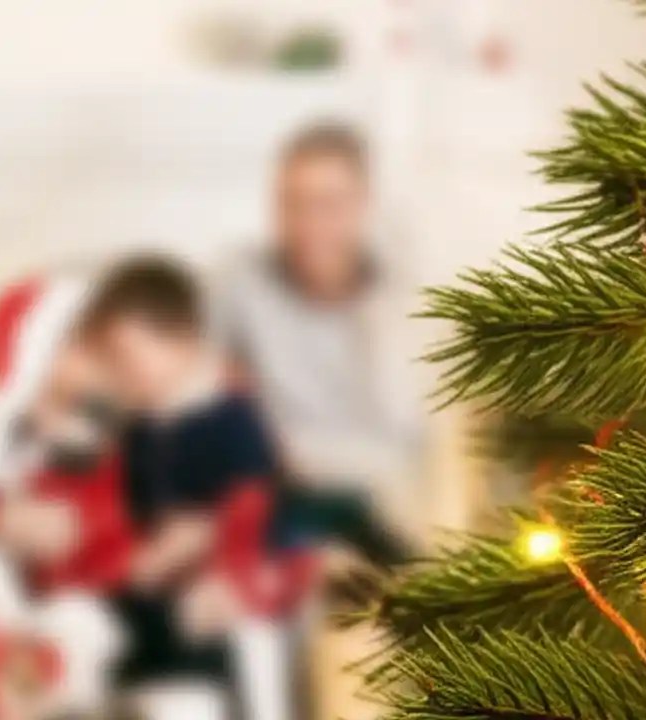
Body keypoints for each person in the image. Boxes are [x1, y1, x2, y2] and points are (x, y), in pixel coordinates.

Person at [214, 123, 423, 718]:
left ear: (362, 207)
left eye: (328, 204)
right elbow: (203, 391)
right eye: (291, 204)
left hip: (380, 496)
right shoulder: (238, 283)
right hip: (277, 495)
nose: (308, 224)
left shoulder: (400, 297)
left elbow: (410, 432)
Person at [82, 256, 314, 720]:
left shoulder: (233, 419)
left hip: (237, 589)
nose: (119, 374)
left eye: (127, 356)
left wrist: (213, 541)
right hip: (161, 606)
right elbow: (127, 522)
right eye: (110, 361)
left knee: (247, 629)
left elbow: (269, 512)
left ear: (184, 342)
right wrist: (144, 558)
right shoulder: (137, 434)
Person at [0, 276, 136, 717]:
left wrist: (77, 528)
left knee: (80, 628)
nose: (93, 368)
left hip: (73, 605)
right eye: (78, 347)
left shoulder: (105, 443)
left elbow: (117, 535)